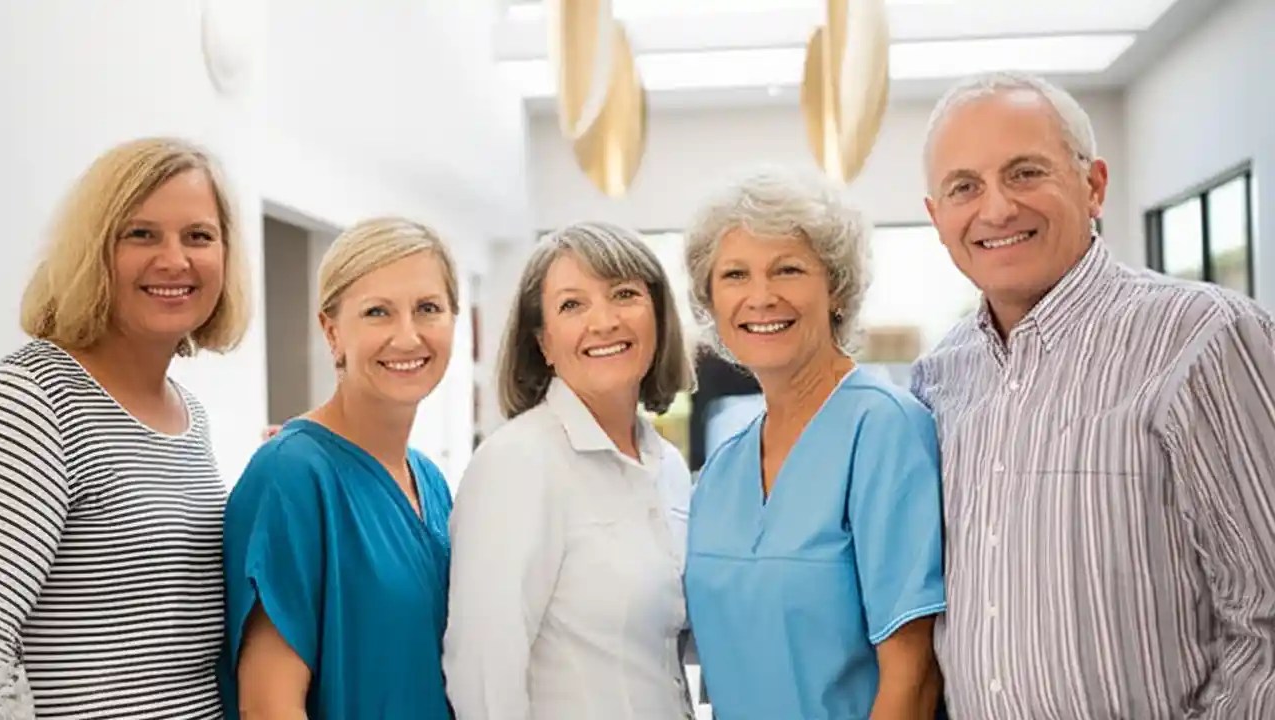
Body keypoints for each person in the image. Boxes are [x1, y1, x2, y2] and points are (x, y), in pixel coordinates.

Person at [912, 71, 1275, 719]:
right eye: (964, 187)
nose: (995, 209)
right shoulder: (939, 379)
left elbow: (1266, 622)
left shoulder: (1209, 338)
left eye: (1025, 173)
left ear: (1094, 185)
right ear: (937, 216)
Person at [0, 137, 250, 719]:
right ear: (94, 250)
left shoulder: (191, 416)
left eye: (199, 236)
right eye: (141, 234)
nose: (175, 260)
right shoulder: (33, 399)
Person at [681, 167, 946, 720]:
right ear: (711, 300)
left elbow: (913, 678)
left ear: (837, 291)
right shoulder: (723, 470)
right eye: (735, 275)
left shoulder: (884, 430)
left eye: (789, 269)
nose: (761, 296)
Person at [443, 221, 697, 719]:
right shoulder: (517, 462)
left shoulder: (667, 466)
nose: (603, 322)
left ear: (659, 317)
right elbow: (483, 672)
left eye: (624, 294)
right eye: (572, 305)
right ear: (543, 343)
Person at [221, 218, 458, 719]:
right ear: (331, 331)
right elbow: (268, 707)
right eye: (377, 312)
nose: (407, 335)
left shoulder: (431, 482)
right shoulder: (292, 475)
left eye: (428, 309)